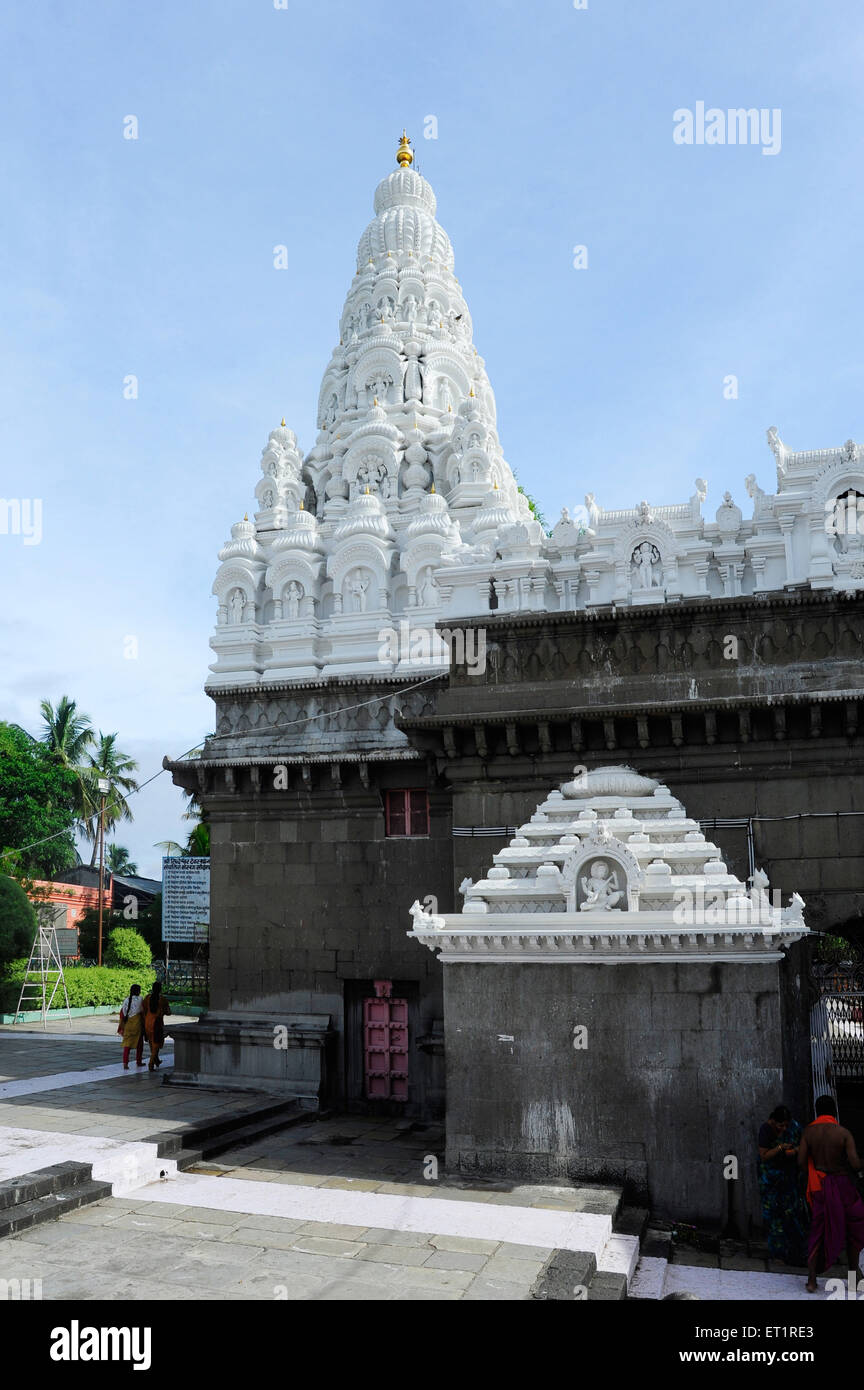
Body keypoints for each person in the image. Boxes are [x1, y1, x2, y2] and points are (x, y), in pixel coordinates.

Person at [798, 1094, 864, 1292]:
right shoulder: (843, 1133)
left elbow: (801, 1162)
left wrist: (815, 1173)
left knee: (818, 1232)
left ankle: (811, 1281)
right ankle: (853, 1280)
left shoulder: (808, 1133)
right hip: (843, 1185)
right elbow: (854, 1163)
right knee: (854, 1231)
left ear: (817, 1111)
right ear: (834, 1111)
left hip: (821, 1186)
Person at [757, 1104, 809, 1265]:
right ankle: (778, 1253)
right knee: (774, 1216)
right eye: (781, 1125)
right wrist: (780, 1148)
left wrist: (793, 1152)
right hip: (771, 1179)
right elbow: (764, 1155)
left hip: (790, 1178)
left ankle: (797, 1252)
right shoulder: (766, 1129)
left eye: (786, 1125)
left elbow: (804, 1146)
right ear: (773, 1121)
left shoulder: (795, 1128)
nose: (784, 1128)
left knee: (792, 1213)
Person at [141, 980, 172, 1072]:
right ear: (160, 989)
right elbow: (168, 1012)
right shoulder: (162, 999)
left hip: (147, 1022)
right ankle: (151, 1063)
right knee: (157, 1043)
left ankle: (156, 1060)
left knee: (151, 1042)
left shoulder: (147, 998)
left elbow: (144, 1010)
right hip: (157, 1023)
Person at [118, 983, 145, 1070]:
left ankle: (125, 1063)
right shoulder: (140, 999)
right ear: (138, 991)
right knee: (139, 1044)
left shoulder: (126, 1000)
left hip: (128, 1025)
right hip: (137, 1025)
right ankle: (139, 1061)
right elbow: (142, 1011)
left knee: (127, 1045)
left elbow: (123, 1012)